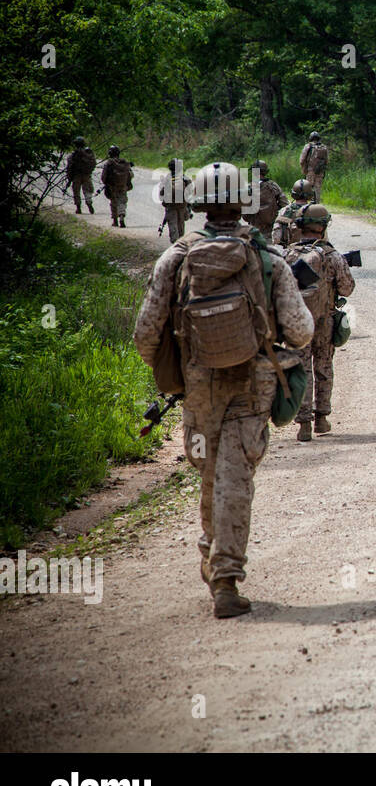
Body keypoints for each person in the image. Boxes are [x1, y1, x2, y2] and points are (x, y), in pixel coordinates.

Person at [132, 161, 314, 618]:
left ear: (198, 203)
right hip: (253, 385)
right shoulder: (268, 259)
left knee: (212, 472)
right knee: (237, 475)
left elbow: (145, 336)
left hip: (197, 386)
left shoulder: (175, 258)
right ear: (245, 202)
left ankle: (212, 558)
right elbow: (301, 331)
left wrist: (187, 358)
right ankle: (226, 576)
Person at [281, 205, 356, 441]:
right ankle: (322, 419)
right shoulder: (331, 256)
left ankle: (303, 424)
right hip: (324, 322)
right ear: (323, 226)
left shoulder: (287, 255)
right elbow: (347, 288)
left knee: (301, 371)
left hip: (296, 323)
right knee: (323, 368)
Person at [153, 158, 193, 243]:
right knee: (181, 224)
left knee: (172, 224)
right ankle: (181, 241)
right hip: (182, 205)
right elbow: (191, 192)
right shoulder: (185, 178)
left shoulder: (167, 178)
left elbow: (161, 194)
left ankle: (175, 242)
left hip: (170, 206)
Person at [250, 160, 286, 237]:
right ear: (266, 172)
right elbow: (284, 204)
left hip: (254, 230)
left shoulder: (249, 187)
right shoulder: (273, 186)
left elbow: (245, 213)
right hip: (270, 229)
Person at [273, 179, 313, 248]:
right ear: (310, 195)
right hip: (311, 251)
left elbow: (276, 238)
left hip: (290, 252)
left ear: (293, 194)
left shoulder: (284, 211)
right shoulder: (315, 211)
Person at [101, 145, 134, 227]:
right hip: (123, 186)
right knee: (122, 201)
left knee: (113, 202)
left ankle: (115, 221)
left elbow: (103, 176)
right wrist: (127, 183)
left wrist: (106, 183)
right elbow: (131, 175)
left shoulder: (109, 163)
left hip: (112, 186)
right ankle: (122, 215)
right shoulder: (124, 163)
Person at [66, 137, 96, 214]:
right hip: (86, 175)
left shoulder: (73, 155)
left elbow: (69, 167)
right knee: (87, 191)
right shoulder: (89, 154)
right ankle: (89, 203)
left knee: (76, 192)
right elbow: (93, 163)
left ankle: (78, 207)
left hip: (76, 176)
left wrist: (69, 179)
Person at [298, 130, 329, 203]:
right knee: (317, 189)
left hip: (310, 171)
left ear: (310, 138)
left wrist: (304, 169)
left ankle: (309, 205)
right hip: (320, 172)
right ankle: (316, 204)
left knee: (308, 187)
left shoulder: (308, 146)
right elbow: (327, 161)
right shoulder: (324, 147)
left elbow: (302, 160)